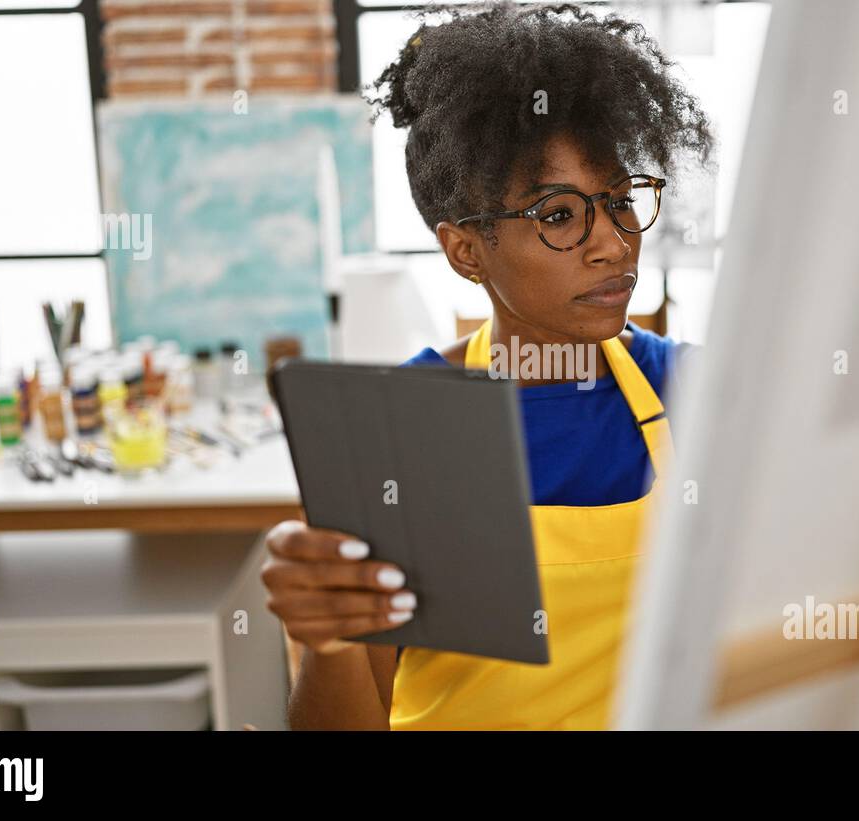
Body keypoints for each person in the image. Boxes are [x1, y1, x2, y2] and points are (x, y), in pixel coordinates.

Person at [260, 0, 713, 730]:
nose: (614, 243)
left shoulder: (696, 393)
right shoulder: (401, 431)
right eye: (560, 215)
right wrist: (331, 636)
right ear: (466, 250)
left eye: (620, 202)